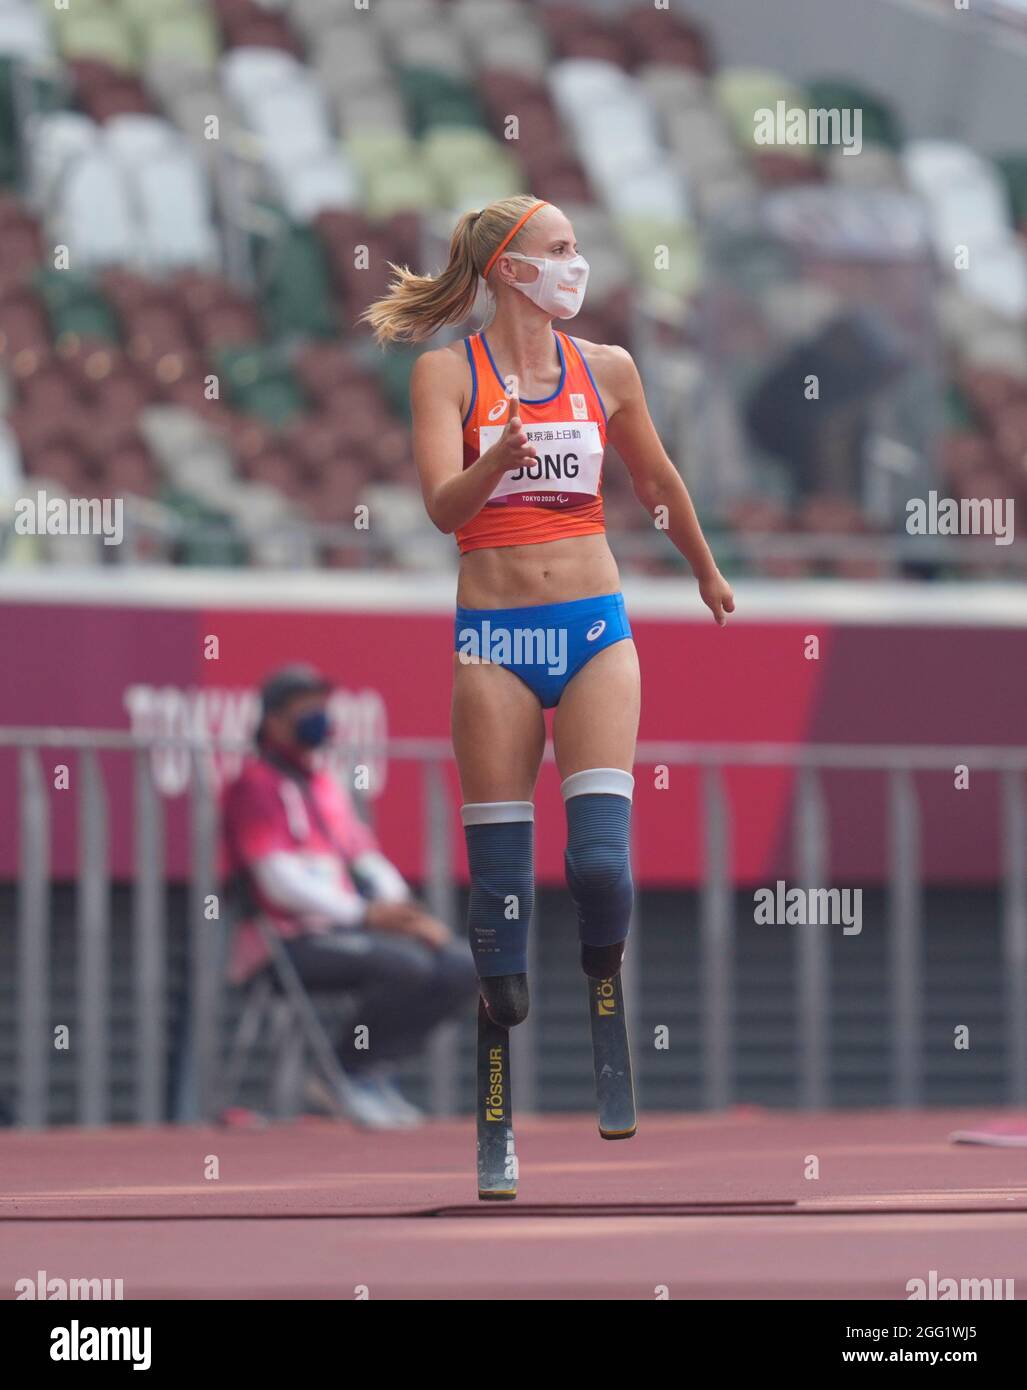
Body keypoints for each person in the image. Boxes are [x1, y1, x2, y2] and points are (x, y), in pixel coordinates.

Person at [361, 195, 734, 1035]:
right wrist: (494, 458)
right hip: (495, 641)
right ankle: (499, 978)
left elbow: (657, 482)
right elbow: (442, 511)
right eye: (560, 248)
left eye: (575, 247)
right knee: (502, 881)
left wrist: (704, 571)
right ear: (511, 269)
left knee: (599, 863)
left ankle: (604, 953)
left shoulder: (607, 368)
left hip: (594, 629)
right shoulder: (447, 373)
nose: (576, 264)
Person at [222, 664, 478, 1129]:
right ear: (274, 720)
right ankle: (339, 1074)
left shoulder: (324, 784)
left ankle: (366, 1070)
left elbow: (364, 858)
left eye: (322, 708)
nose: (319, 718)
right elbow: (278, 881)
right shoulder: (253, 786)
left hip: (354, 931)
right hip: (286, 941)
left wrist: (403, 911)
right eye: (306, 710)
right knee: (404, 965)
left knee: (461, 967)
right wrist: (366, 915)